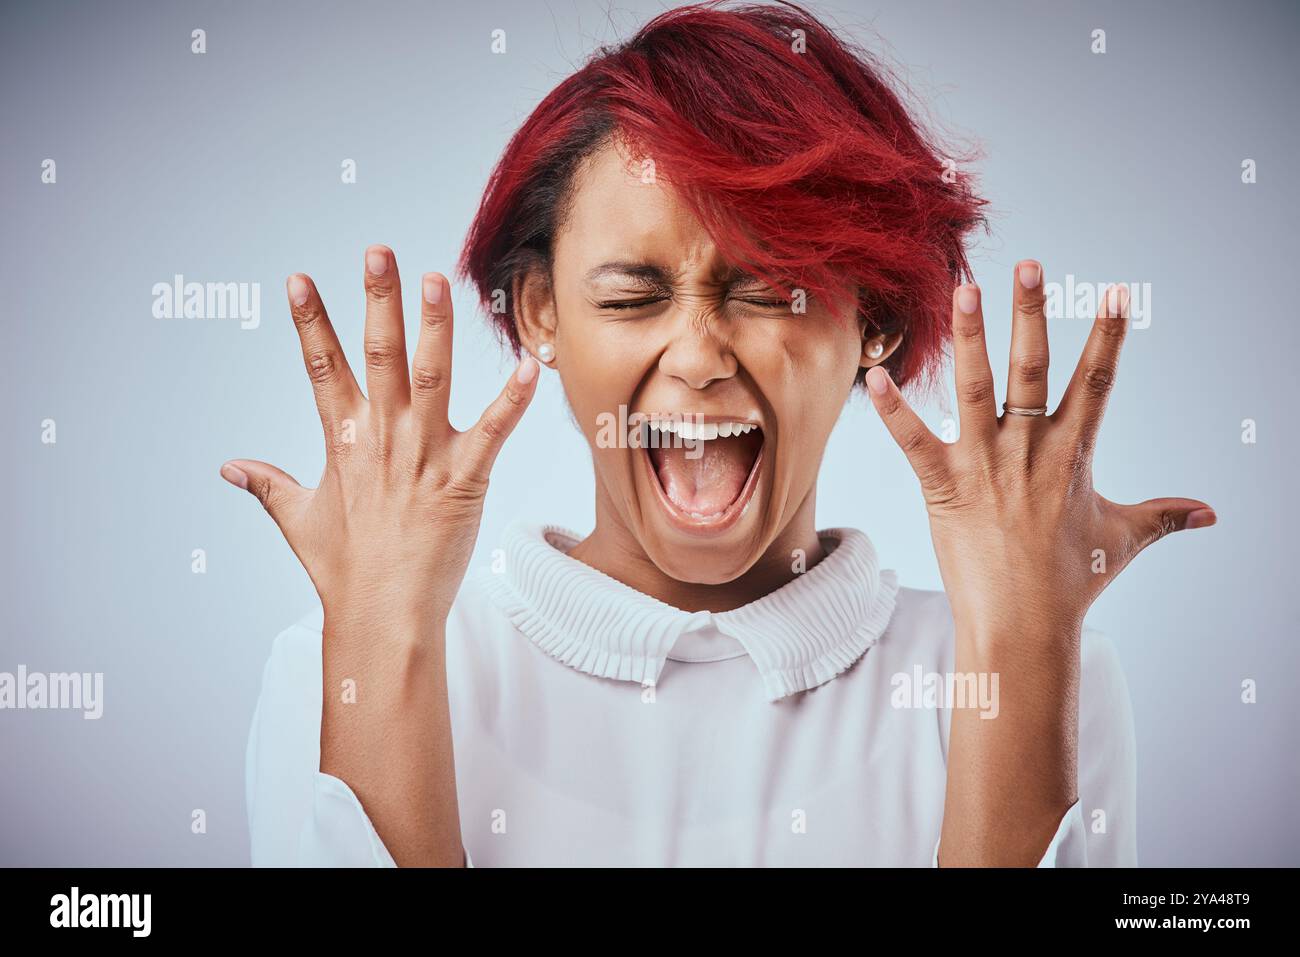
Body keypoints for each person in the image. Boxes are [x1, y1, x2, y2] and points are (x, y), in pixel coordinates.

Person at [228, 1, 1214, 867]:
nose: (697, 354)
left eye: (770, 291)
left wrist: (1019, 645)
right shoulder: (339, 667)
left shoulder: (1038, 668)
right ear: (539, 315)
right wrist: (383, 637)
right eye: (633, 295)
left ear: (871, 318)